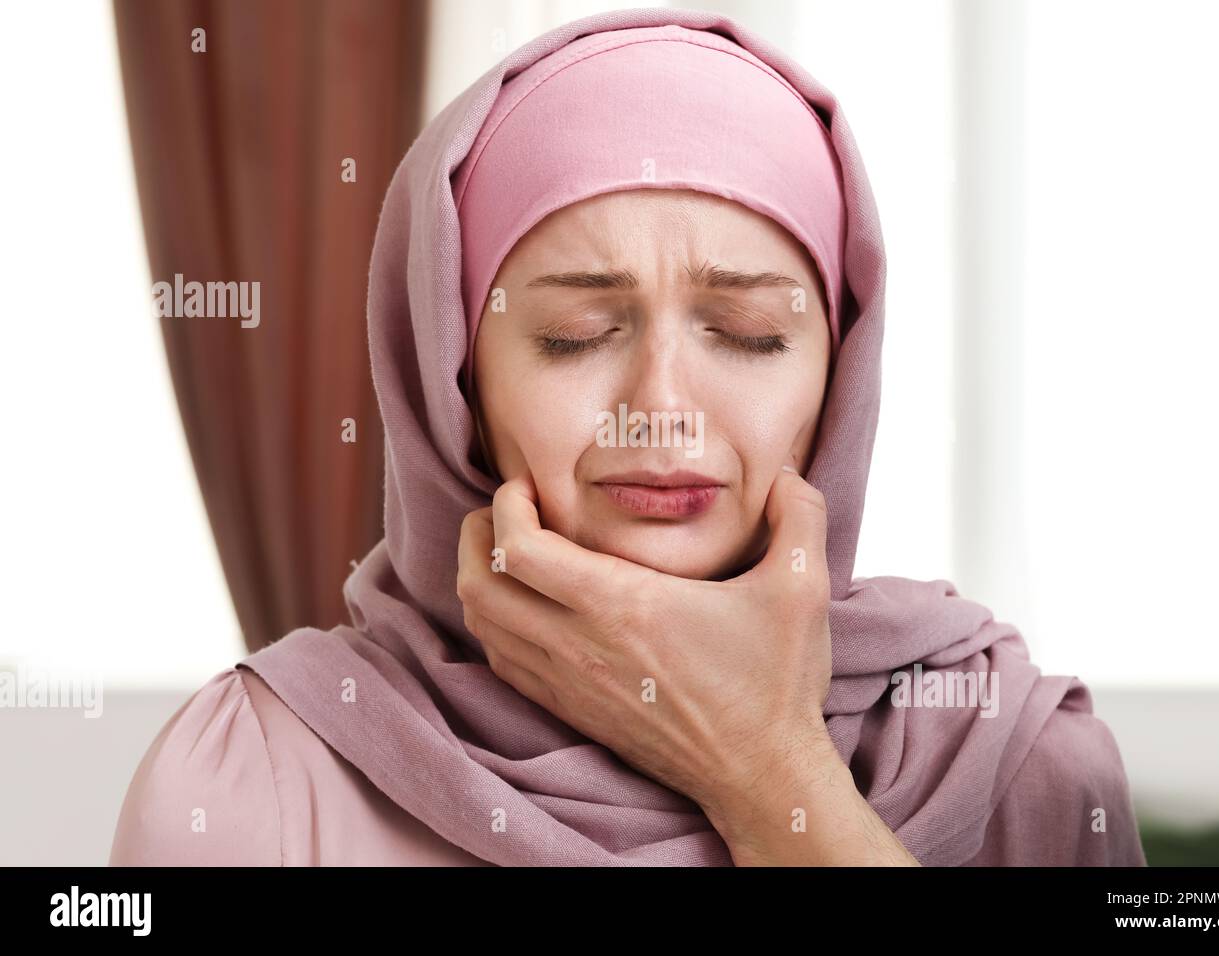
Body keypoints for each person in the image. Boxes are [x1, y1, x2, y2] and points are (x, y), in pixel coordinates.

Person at [109, 9, 1146, 867]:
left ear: (838, 381)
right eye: (574, 337)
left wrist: (764, 768)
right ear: (454, 383)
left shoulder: (1022, 770)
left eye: (748, 335)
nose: (661, 405)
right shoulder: (248, 783)